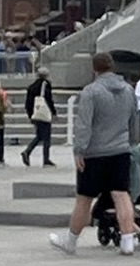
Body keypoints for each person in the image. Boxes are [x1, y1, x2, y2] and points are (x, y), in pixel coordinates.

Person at [47, 52, 133, 251]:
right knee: (121, 195)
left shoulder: (90, 92)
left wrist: (79, 150)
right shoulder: (128, 90)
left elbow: (84, 125)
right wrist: (131, 143)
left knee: (84, 198)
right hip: (120, 149)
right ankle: (128, 240)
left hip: (95, 152)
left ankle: (71, 240)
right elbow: (133, 119)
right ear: (112, 66)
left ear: (94, 69)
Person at [21, 68, 56, 167]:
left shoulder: (32, 87)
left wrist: (30, 114)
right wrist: (53, 112)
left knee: (40, 135)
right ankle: (45, 158)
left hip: (35, 113)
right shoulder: (45, 85)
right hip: (44, 113)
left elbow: (28, 102)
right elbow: (48, 99)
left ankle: (27, 152)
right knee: (46, 137)